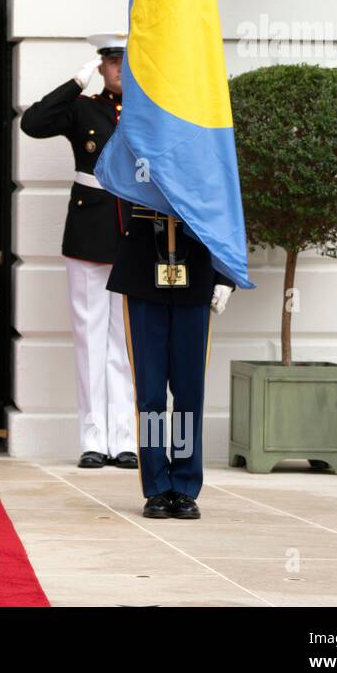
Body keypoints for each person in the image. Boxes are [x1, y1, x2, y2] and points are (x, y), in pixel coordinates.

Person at [21, 33, 137, 470]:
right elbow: (32, 122)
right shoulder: (83, 106)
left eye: (127, 62)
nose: (119, 71)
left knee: (123, 345)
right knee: (90, 340)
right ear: (101, 66)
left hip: (134, 235)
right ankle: (93, 439)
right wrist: (76, 79)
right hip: (90, 231)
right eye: (111, 63)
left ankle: (124, 439)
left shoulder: (149, 110)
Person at [107, 207, 234, 520]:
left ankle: (184, 485)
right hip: (142, 265)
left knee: (189, 393)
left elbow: (225, 204)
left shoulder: (208, 154)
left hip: (197, 265)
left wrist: (226, 274)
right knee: (150, 395)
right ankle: (157, 485)